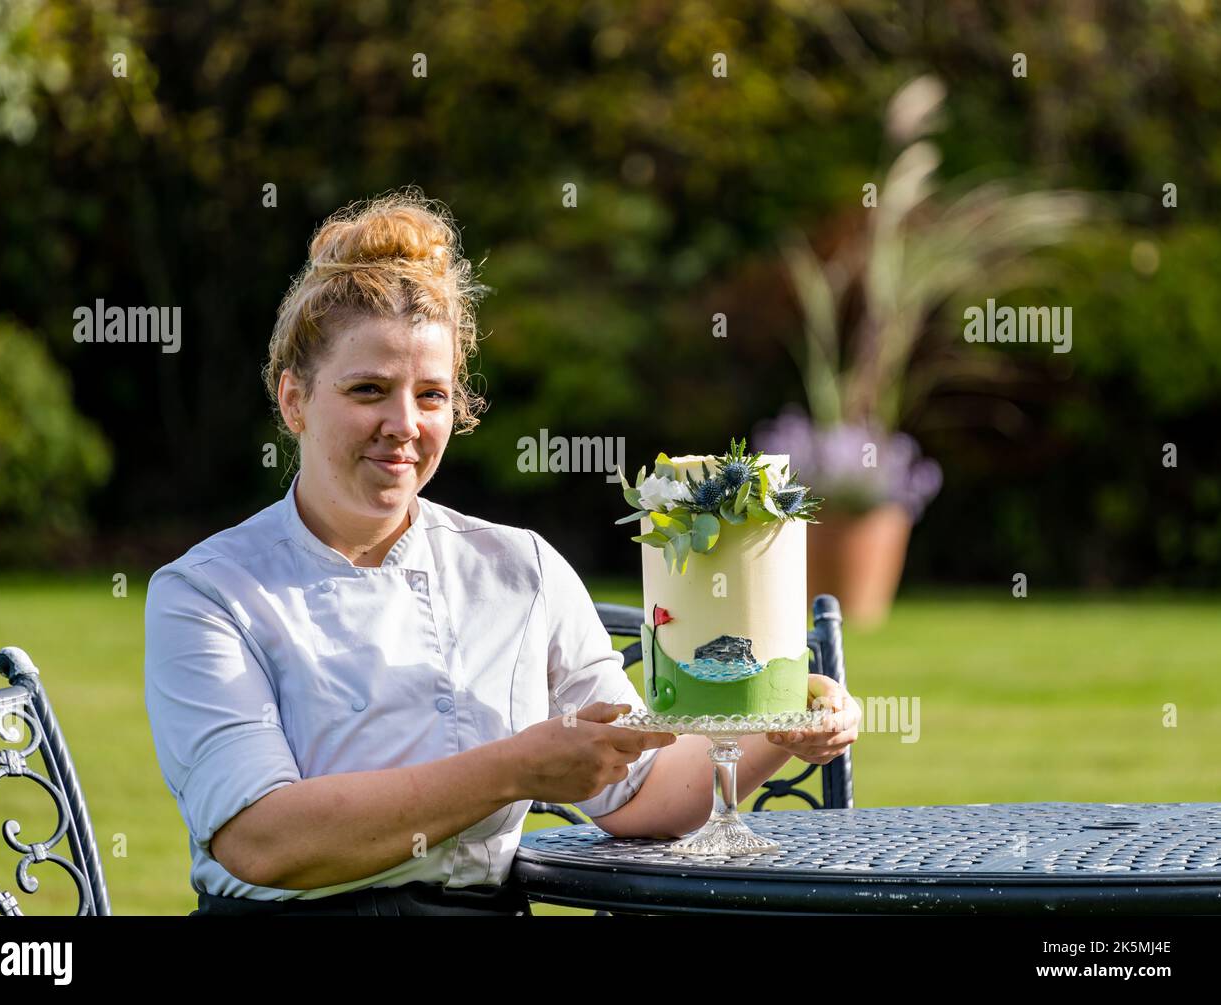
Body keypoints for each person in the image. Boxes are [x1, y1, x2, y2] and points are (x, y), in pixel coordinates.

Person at [143, 187, 860, 917]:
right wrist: (515, 768)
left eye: (431, 395)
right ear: (293, 400)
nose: (403, 424)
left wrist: (780, 726)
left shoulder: (521, 568)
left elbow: (641, 792)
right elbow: (262, 840)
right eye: (369, 389)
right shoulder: (209, 591)